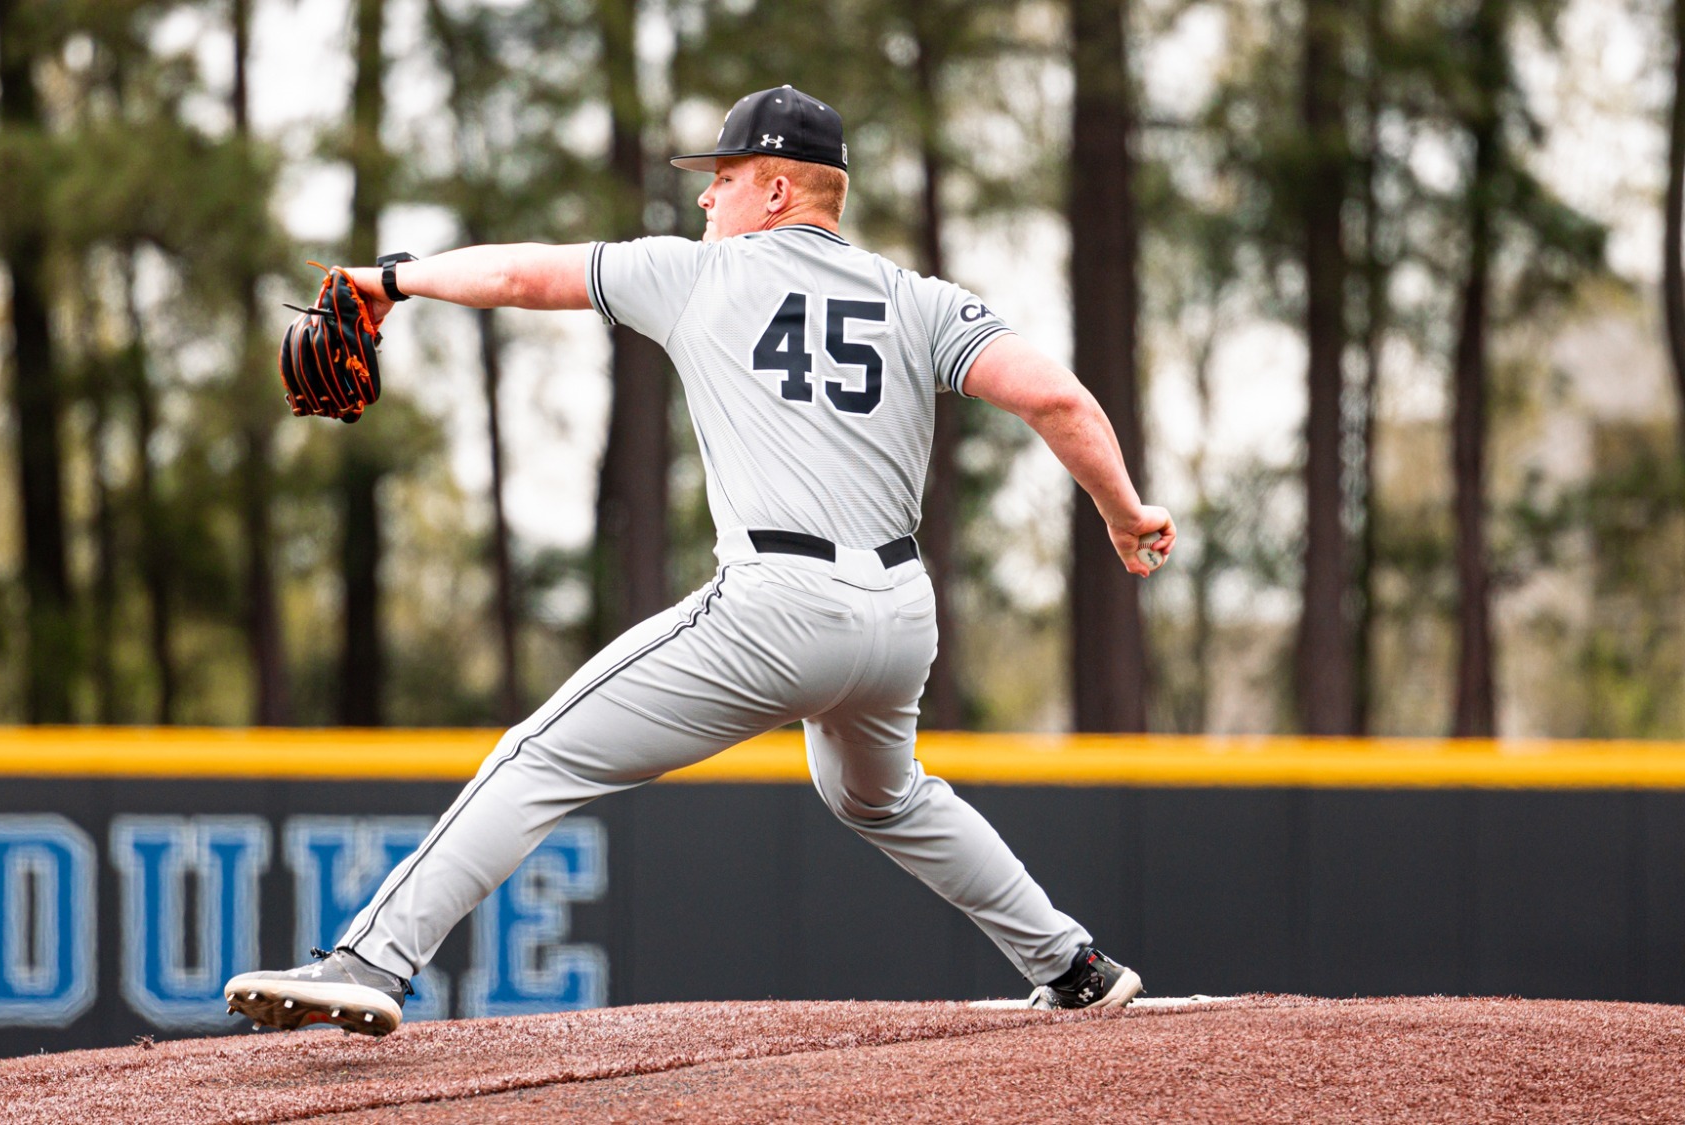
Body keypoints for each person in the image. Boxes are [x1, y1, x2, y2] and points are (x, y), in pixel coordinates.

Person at [225, 85, 1174, 1037]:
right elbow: (1060, 401)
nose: (702, 200)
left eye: (719, 179)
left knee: (538, 754)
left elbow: (521, 276)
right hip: (899, 618)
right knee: (884, 797)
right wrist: (1125, 513)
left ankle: (371, 959)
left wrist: (393, 278)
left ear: (774, 190)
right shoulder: (919, 299)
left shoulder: (693, 276)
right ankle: (1073, 964)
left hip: (778, 606)